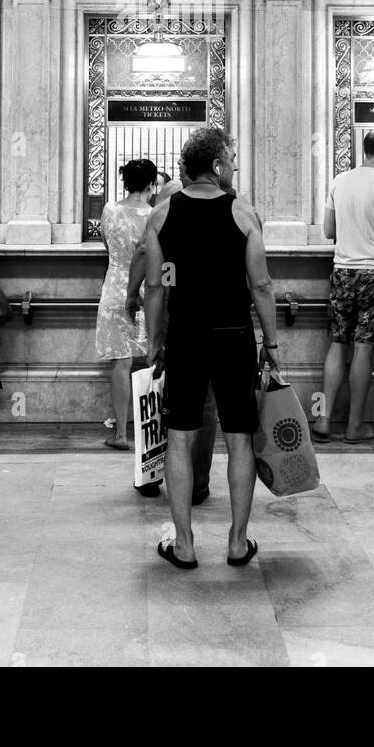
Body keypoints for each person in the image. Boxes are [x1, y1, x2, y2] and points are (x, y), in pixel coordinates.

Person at [144, 127, 279, 569]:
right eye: (232, 159)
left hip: (185, 338)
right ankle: (237, 543)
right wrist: (271, 343)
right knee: (240, 439)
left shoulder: (162, 216)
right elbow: (259, 284)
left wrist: (156, 342)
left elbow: (157, 286)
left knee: (180, 440)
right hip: (233, 337)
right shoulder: (243, 213)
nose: (235, 166)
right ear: (218, 165)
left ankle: (183, 546)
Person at [126, 153, 216, 503]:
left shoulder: (168, 202)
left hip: (171, 310)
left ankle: (151, 474)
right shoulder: (230, 202)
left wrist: (132, 295)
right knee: (205, 403)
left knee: (157, 392)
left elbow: (142, 254)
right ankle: (197, 483)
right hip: (213, 314)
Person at [313, 129, 374, 444]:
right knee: (364, 348)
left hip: (343, 271)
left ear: (363, 150)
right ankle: (355, 426)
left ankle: (323, 421)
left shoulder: (339, 181)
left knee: (338, 344)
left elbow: (328, 230)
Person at [96, 159, 158, 450]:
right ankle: (153, 429)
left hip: (114, 289)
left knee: (121, 363)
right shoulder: (155, 214)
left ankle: (121, 433)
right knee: (151, 359)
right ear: (151, 183)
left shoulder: (110, 209)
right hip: (145, 290)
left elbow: (108, 246)